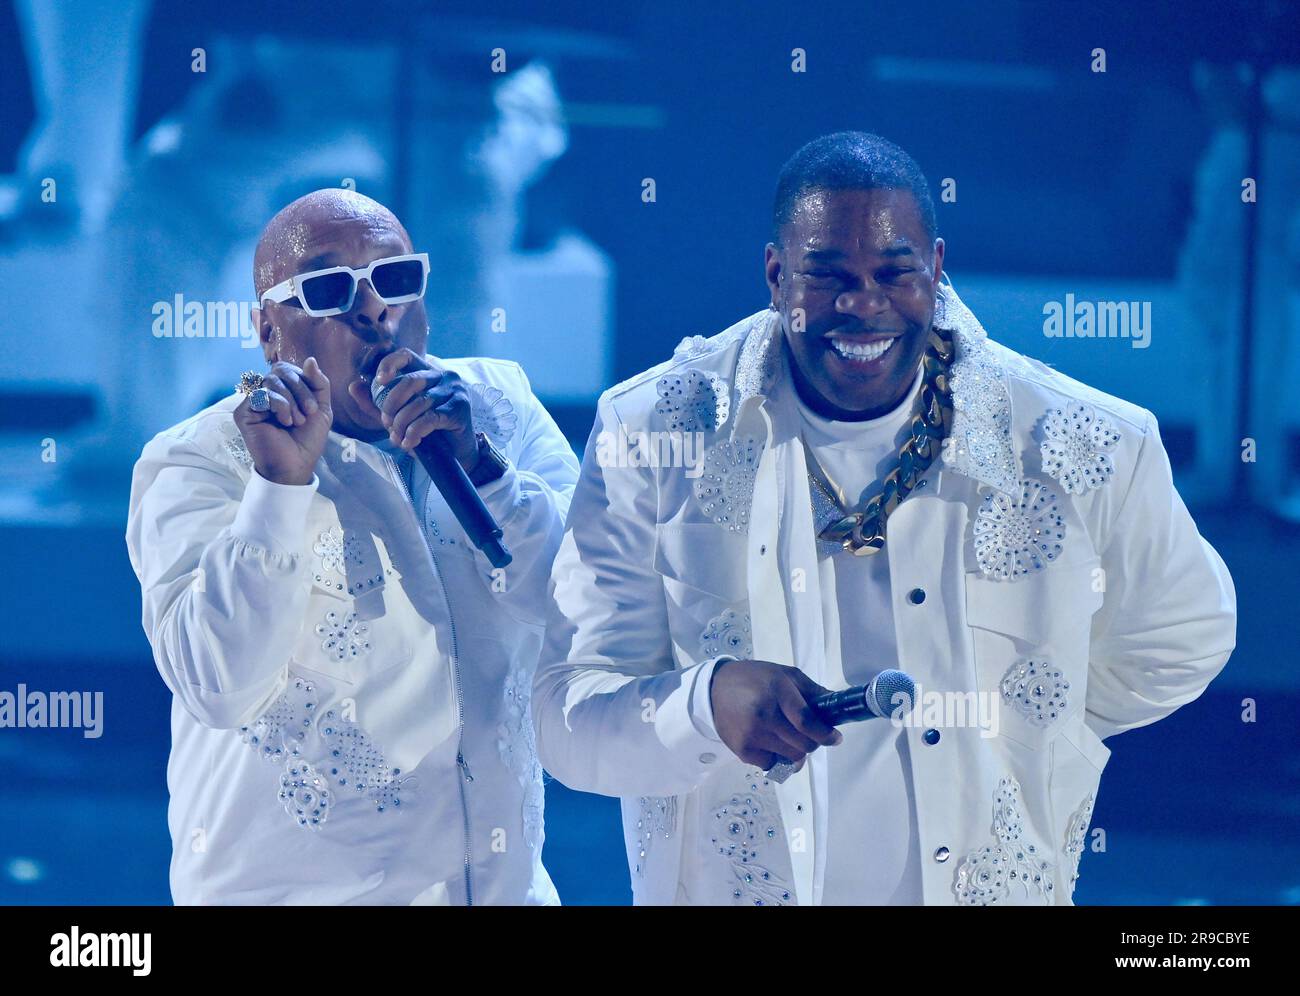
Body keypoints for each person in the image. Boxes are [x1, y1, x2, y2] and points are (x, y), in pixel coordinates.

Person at [534, 132, 1236, 905]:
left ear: (936, 269)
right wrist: (703, 706)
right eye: (826, 276)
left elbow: (1184, 636)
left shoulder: (1082, 440)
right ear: (775, 275)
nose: (862, 305)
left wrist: (1032, 724)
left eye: (894, 274)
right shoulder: (654, 430)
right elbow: (567, 720)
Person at [126, 189, 578, 905]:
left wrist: (483, 467)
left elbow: (585, 612)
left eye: (395, 278)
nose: (374, 310)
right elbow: (217, 683)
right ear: (269, 333)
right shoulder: (201, 459)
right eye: (331, 289)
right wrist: (279, 491)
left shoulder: (497, 410)